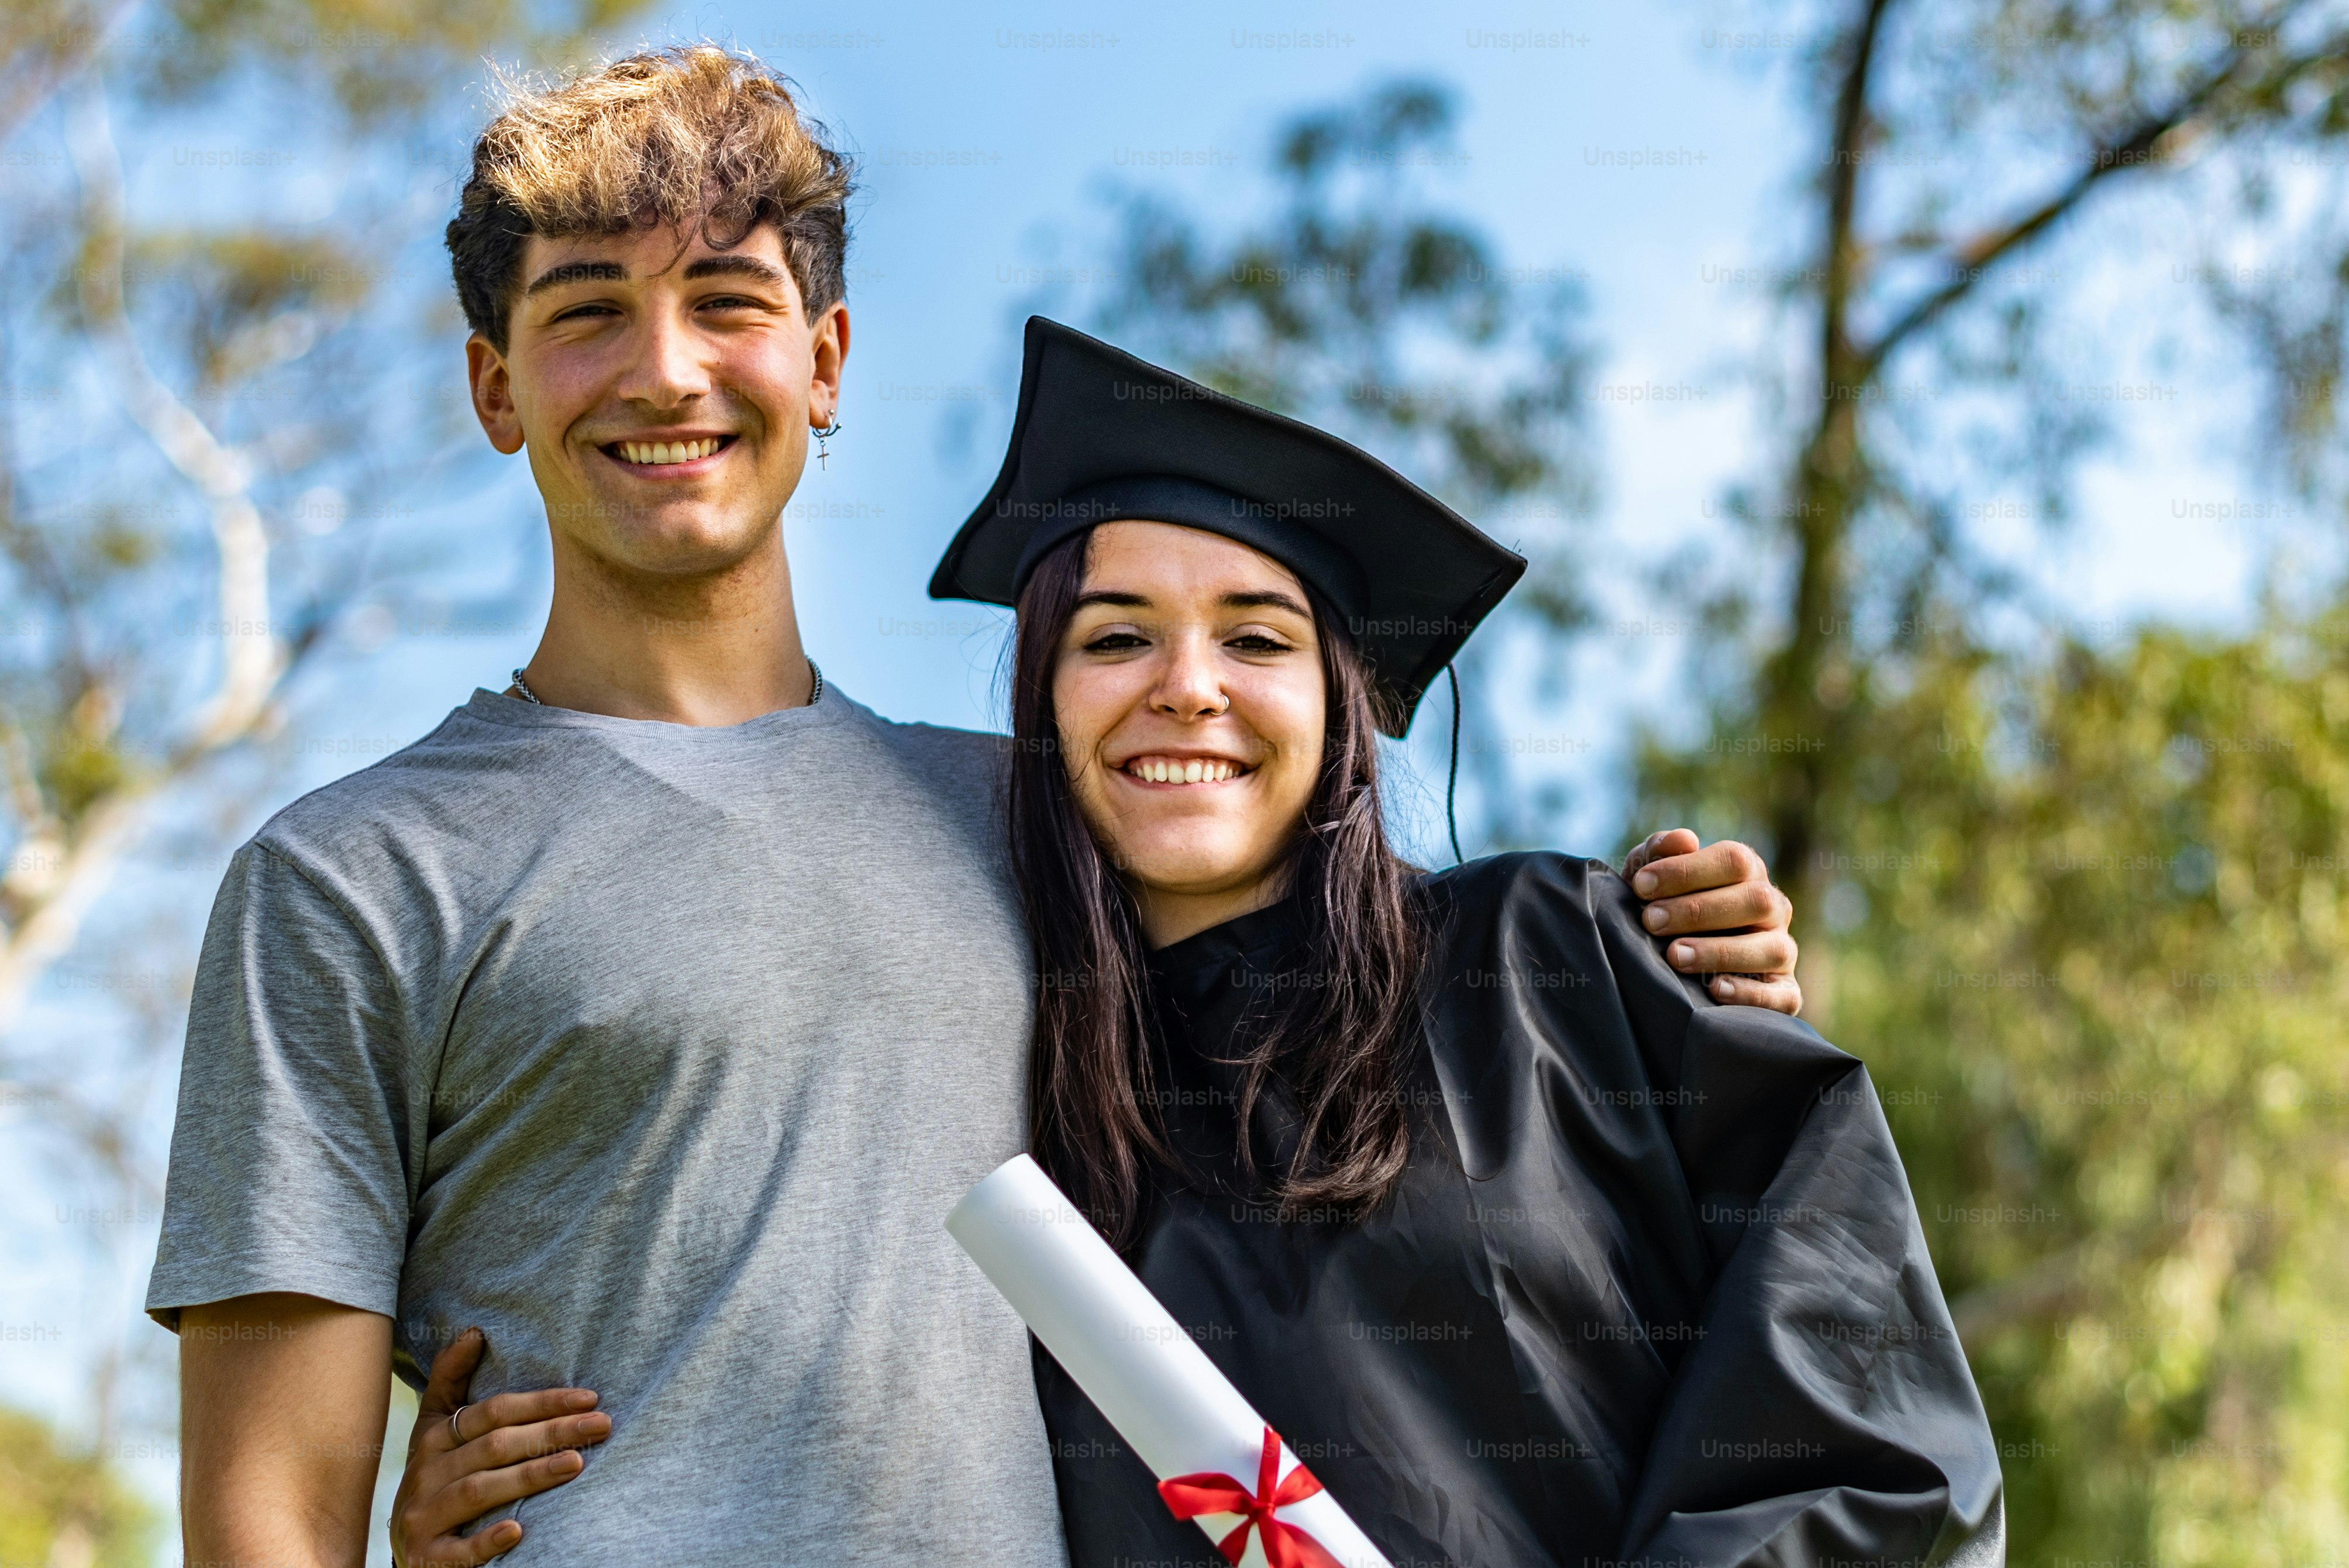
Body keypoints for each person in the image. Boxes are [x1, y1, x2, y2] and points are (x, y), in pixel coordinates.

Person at [146, 47, 1802, 1568]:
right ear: (497, 387)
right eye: (588, 312)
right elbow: (263, 1522)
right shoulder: (350, 880)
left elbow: (1360, 1040)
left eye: (726, 301)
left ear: (825, 361)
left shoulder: (1046, 821)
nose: (664, 371)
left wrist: (1661, 992)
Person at [396, 322, 1999, 1567]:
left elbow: (1860, 1403)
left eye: (1255, 635)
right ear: (1039, 706)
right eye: (1115, 637)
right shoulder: (991, 1083)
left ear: (1341, 708)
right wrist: (522, 1507)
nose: (1187, 685)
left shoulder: (1555, 967)